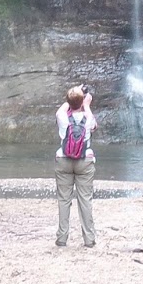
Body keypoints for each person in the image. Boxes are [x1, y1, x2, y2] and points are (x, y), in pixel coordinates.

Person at [54, 84, 96, 248]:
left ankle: (62, 238)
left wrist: (75, 91)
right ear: (83, 101)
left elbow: (63, 108)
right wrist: (86, 104)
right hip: (85, 161)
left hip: (63, 160)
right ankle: (89, 239)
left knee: (64, 200)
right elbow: (93, 125)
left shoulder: (62, 116)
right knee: (85, 200)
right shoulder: (89, 117)